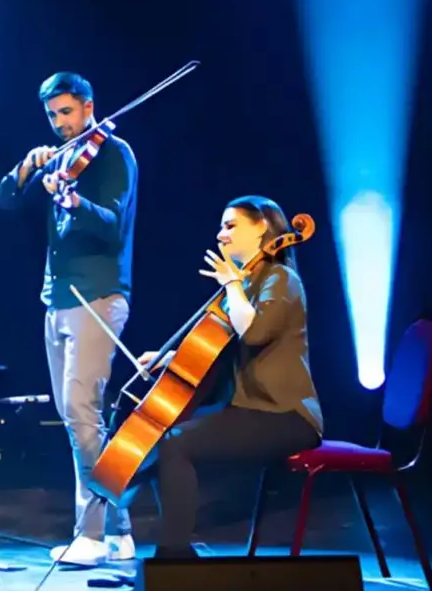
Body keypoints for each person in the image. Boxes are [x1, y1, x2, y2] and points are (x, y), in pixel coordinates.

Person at [0, 72, 139, 565]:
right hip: (56, 298)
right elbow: (4, 202)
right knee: (79, 418)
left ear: (89, 106)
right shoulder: (59, 158)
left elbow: (114, 224)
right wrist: (25, 168)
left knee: (81, 413)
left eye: (67, 113)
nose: (60, 124)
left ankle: (92, 534)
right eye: (53, 116)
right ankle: (120, 531)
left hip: (97, 295)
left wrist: (75, 202)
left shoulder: (114, 155)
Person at [134, 196, 323, 558]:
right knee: (163, 435)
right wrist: (171, 358)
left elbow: (252, 334)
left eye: (230, 225)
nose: (220, 235)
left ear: (262, 228)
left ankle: (173, 558)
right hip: (249, 409)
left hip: (286, 416)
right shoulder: (250, 283)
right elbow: (225, 349)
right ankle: (173, 552)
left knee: (176, 443)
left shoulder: (281, 279)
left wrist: (233, 286)